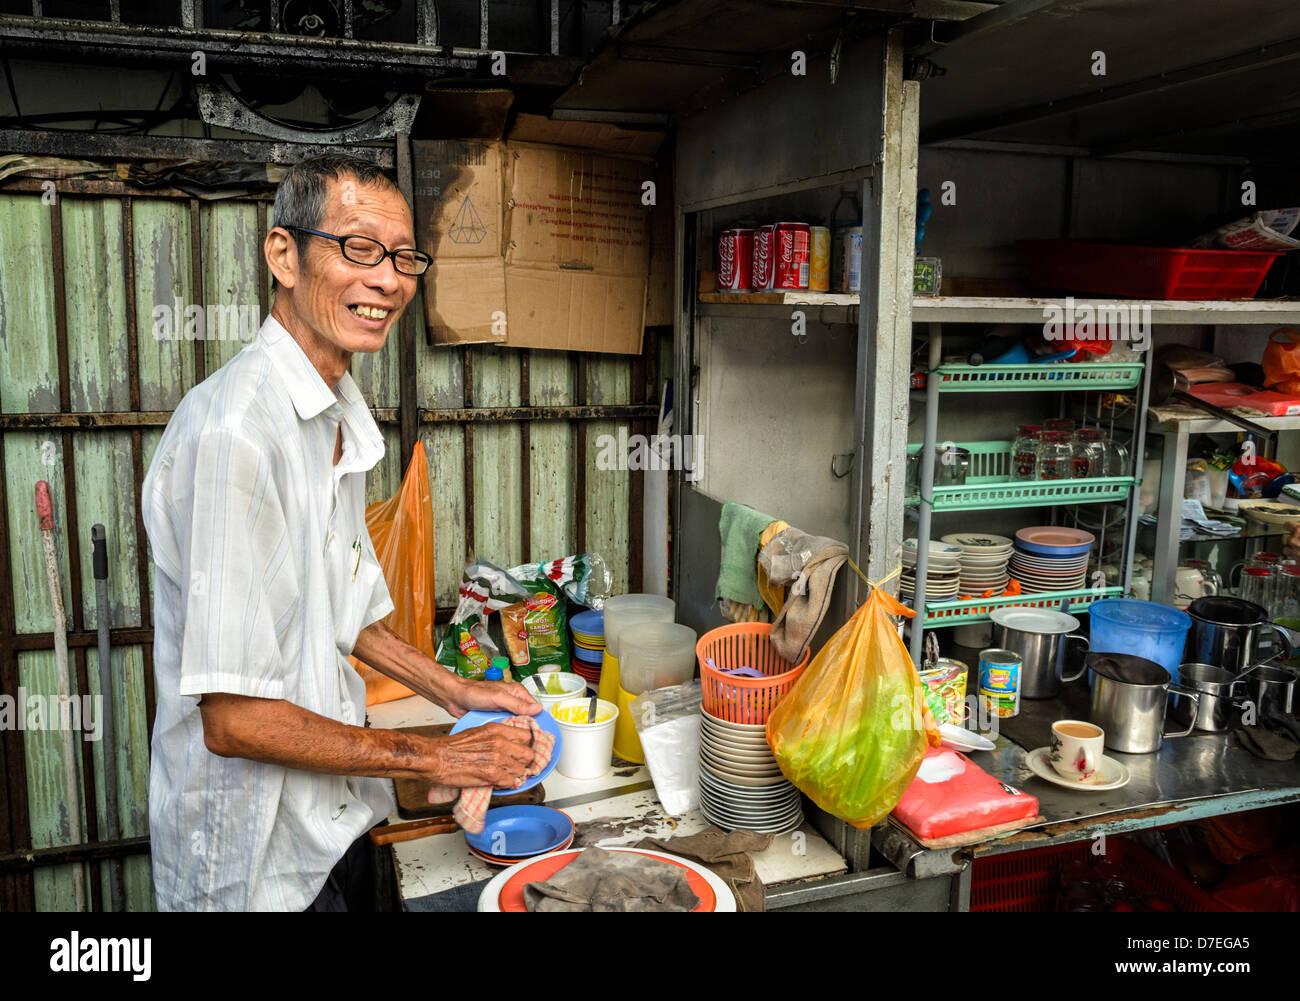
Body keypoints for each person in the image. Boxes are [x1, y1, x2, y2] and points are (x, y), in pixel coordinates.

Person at [141, 152, 541, 912]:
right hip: (254, 860)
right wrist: (440, 754)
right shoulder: (236, 438)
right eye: (358, 248)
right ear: (283, 255)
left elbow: (348, 614)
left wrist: (458, 691)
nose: (388, 279)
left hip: (333, 819)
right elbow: (232, 719)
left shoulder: (333, 413)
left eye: (403, 257)